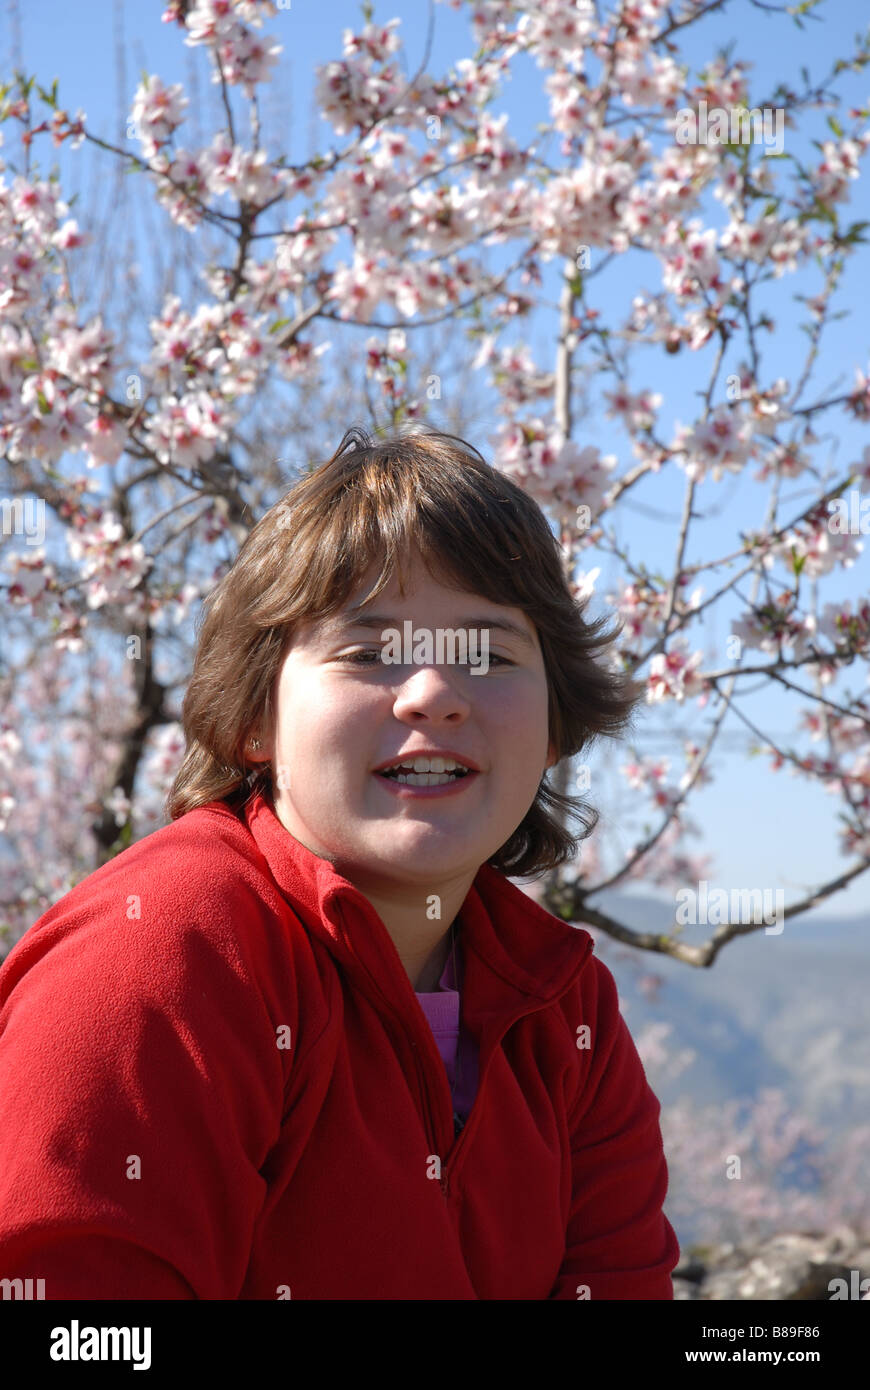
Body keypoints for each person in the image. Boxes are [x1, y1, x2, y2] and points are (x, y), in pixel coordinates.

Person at [0, 425, 680, 1299]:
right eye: (368, 653)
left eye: (491, 652)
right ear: (254, 720)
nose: (434, 693)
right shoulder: (167, 952)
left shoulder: (564, 1005)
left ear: (555, 726)